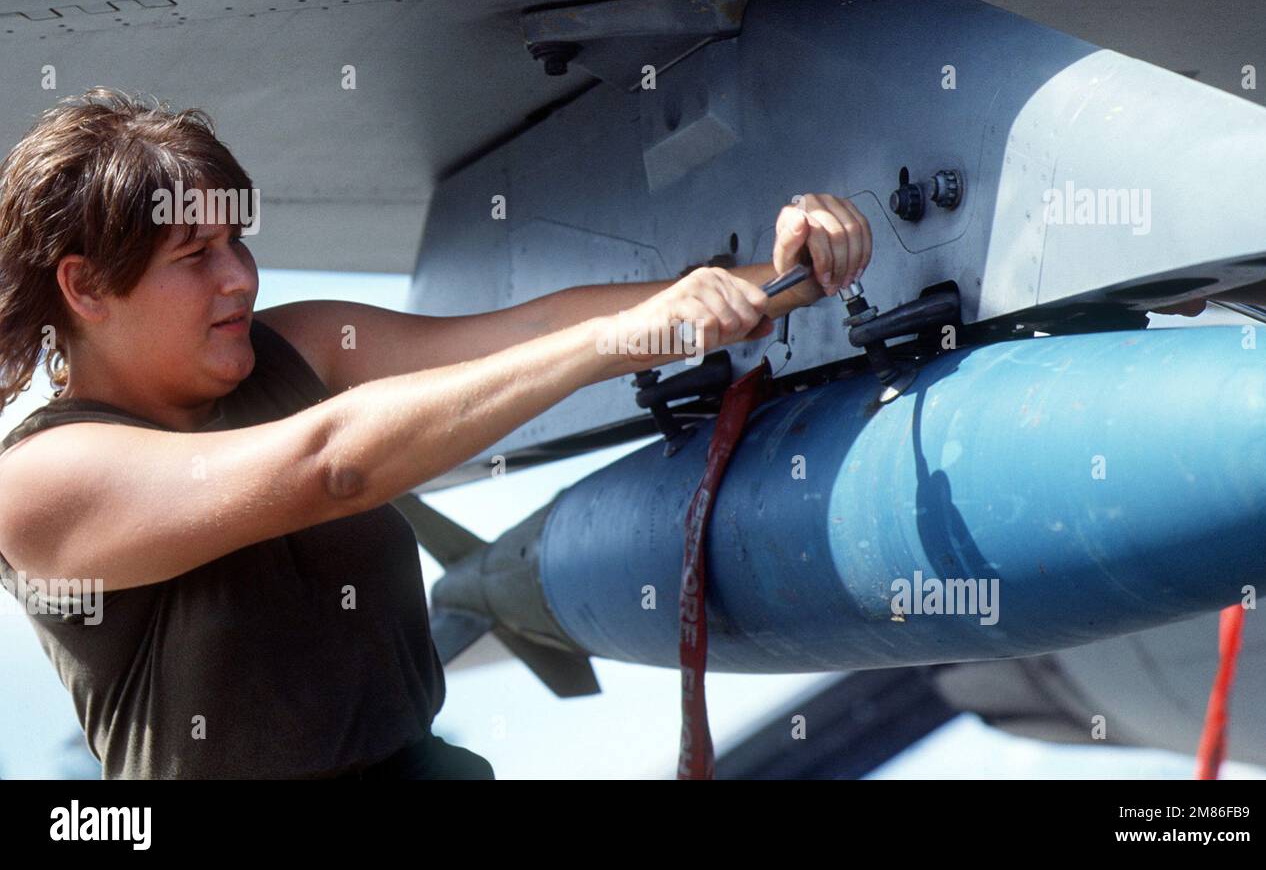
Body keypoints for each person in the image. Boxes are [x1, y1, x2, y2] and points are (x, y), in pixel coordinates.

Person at [0, 87, 869, 779]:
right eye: (195, 257)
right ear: (84, 287)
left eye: (238, 243)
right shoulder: (39, 482)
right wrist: (623, 337)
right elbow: (330, 464)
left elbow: (523, 334)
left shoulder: (296, 348)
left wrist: (774, 274)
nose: (239, 280)